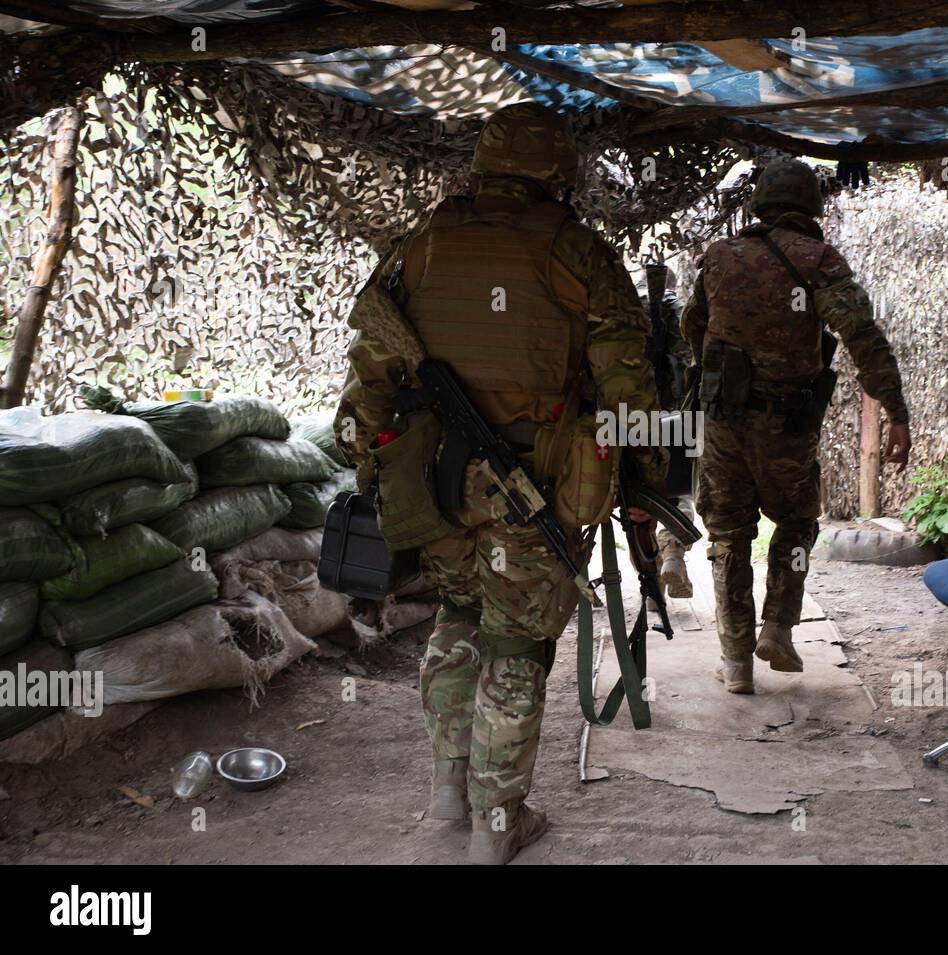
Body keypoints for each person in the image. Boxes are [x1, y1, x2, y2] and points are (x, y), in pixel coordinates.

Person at [335, 103, 666, 863]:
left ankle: (447, 796)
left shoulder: (419, 245)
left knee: (454, 621)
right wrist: (642, 490)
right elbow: (629, 394)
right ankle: (496, 825)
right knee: (514, 645)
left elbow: (368, 374)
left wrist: (372, 472)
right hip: (537, 488)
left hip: (433, 483)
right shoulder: (579, 253)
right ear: (560, 171)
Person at [682, 158, 912, 695]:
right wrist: (897, 411)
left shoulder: (720, 257)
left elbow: (691, 326)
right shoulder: (819, 260)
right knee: (797, 523)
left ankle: (735, 661)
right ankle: (779, 628)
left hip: (722, 421)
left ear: (758, 204)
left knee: (729, 538)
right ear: (812, 207)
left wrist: (716, 371)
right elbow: (861, 336)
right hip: (786, 423)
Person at [637, 264, 697, 598]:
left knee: (636, 498)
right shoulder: (682, 311)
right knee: (677, 488)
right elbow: (694, 360)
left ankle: (651, 591)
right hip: (677, 415)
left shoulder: (627, 307)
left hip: (629, 415)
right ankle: (673, 549)